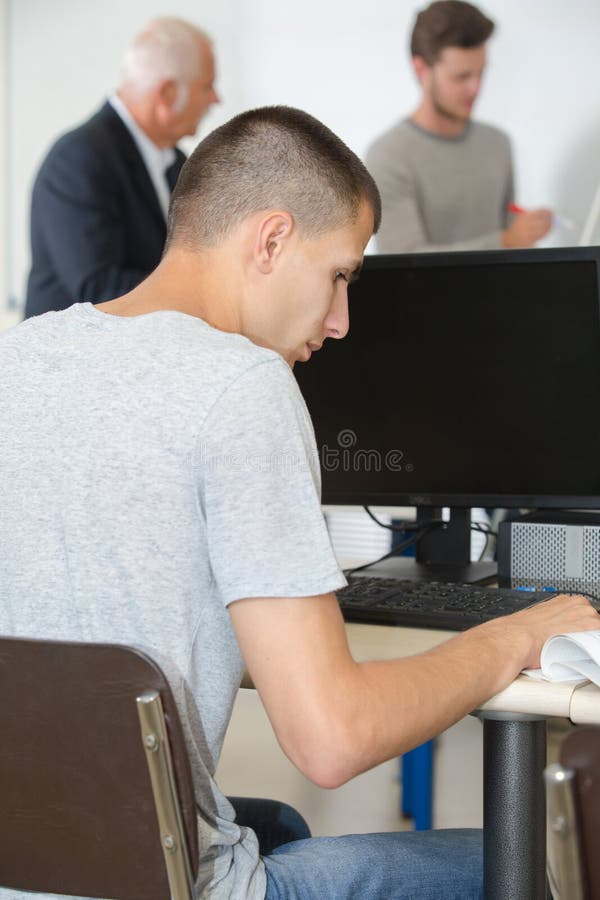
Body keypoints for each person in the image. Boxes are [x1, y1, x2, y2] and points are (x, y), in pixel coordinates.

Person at [1, 105, 597, 900]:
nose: (343, 320)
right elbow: (331, 739)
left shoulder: (20, 354)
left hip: (30, 866)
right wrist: (515, 632)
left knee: (277, 825)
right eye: (342, 274)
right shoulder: (242, 385)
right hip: (168, 888)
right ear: (272, 239)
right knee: (537, 860)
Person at [24, 16, 218, 319]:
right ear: (166, 95)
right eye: (207, 86)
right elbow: (97, 289)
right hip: (78, 361)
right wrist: (210, 293)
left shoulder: (179, 163)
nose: (216, 99)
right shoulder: (79, 158)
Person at [367, 0, 553, 253]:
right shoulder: (389, 156)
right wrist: (506, 241)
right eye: (461, 77)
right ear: (421, 70)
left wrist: (524, 234)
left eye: (481, 73)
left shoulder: (498, 145)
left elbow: (512, 248)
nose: (475, 89)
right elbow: (404, 260)